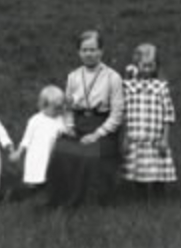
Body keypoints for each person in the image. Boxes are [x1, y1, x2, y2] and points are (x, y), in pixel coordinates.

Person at [45, 29, 124, 207]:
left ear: (101, 51)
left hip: (103, 127)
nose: (89, 54)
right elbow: (68, 107)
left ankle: (91, 202)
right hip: (80, 124)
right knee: (60, 150)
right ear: (79, 52)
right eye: (84, 50)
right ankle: (62, 198)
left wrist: (96, 134)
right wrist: (70, 126)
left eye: (93, 49)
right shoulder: (73, 76)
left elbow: (117, 114)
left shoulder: (113, 77)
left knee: (91, 154)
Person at [121, 44, 177, 201]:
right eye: (143, 65)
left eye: (150, 65)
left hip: (155, 139)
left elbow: (168, 114)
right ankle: (141, 199)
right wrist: (125, 137)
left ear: (156, 66)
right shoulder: (129, 87)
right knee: (138, 172)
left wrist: (165, 138)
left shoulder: (161, 87)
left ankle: (160, 199)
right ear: (137, 65)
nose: (147, 68)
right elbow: (124, 113)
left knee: (158, 171)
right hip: (136, 138)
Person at [11, 85, 67, 199]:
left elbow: (66, 133)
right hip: (36, 153)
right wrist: (19, 152)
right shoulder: (35, 120)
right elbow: (26, 138)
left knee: (50, 173)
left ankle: (49, 190)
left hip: (52, 152)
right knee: (34, 173)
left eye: (60, 107)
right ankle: (31, 192)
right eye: (55, 108)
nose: (59, 111)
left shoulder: (60, 120)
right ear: (44, 106)